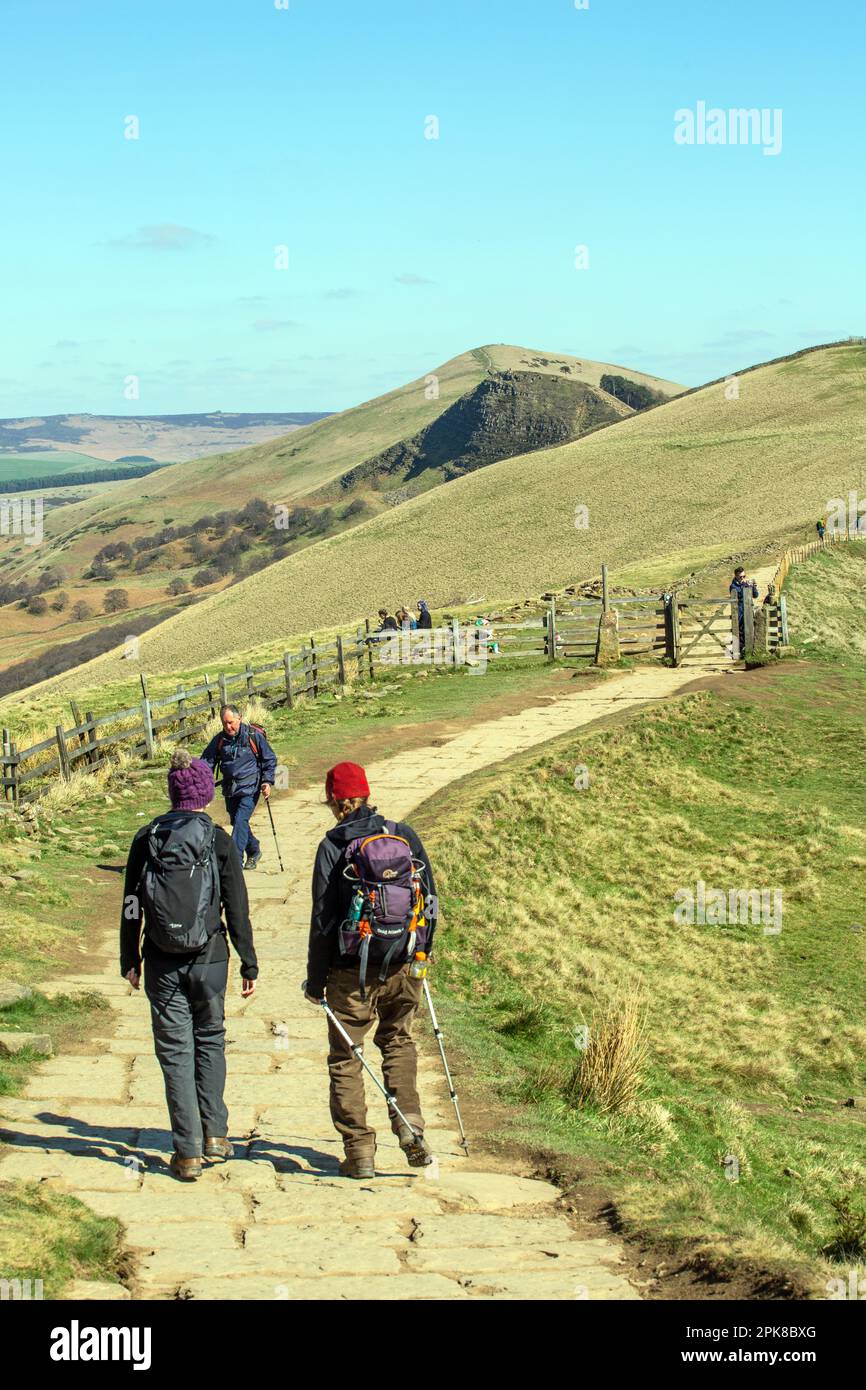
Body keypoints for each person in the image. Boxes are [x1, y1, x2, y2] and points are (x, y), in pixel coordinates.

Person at [120, 748, 258, 1181]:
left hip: (161, 962)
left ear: (172, 792)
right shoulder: (217, 838)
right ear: (204, 794)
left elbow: (130, 906)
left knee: (175, 1053)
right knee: (211, 1041)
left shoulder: (146, 838)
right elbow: (237, 905)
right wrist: (248, 963)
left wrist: (130, 957)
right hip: (210, 958)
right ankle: (216, 1134)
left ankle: (187, 1152)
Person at [304, 761, 437, 1179]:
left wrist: (316, 978)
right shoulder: (402, 835)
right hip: (403, 963)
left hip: (350, 971)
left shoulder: (331, 847)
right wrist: (423, 951)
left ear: (335, 802)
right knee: (398, 1041)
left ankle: (359, 1151)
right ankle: (410, 1128)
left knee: (347, 1057)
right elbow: (430, 899)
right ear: (365, 794)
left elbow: (323, 921)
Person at [200, 704, 276, 870]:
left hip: (251, 787)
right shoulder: (219, 740)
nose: (228, 726)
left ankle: (234, 861)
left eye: (231, 722)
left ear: (239, 718)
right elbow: (207, 762)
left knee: (241, 819)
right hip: (230, 789)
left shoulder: (253, 736)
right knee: (236, 821)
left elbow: (269, 759)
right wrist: (200, 782)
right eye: (224, 723)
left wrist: (267, 781)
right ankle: (254, 850)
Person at [729, 566, 759, 652]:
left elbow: (756, 595)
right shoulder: (733, 586)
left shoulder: (746, 584)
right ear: (736, 576)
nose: (742, 578)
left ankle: (747, 649)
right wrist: (747, 586)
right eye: (740, 577)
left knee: (750, 629)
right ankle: (739, 650)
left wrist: (753, 587)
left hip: (749, 610)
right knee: (740, 630)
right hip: (739, 611)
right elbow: (739, 594)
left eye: (744, 576)